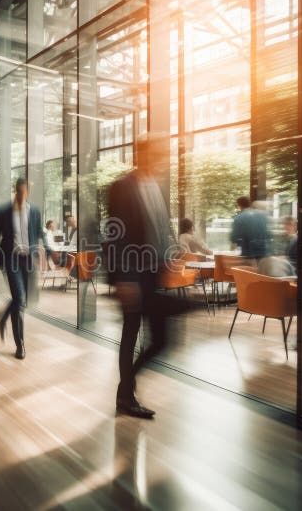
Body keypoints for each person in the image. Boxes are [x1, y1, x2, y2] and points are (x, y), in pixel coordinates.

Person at [106, 136, 183, 419]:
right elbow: (116, 236)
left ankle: (125, 389)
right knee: (130, 335)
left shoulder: (157, 188)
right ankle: (126, 396)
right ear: (141, 155)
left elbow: (160, 229)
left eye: (162, 153)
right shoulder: (122, 187)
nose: (160, 158)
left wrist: (170, 260)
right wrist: (124, 278)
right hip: (133, 276)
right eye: (155, 153)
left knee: (162, 339)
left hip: (153, 275)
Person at [0, 178, 47, 359]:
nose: (21, 196)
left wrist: (48, 251)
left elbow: (39, 233)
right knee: (19, 298)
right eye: (18, 192)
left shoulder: (34, 211)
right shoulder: (4, 212)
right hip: (10, 259)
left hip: (27, 260)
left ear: (28, 192)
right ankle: (20, 345)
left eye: (24, 192)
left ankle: (3, 315)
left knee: (21, 301)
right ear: (15, 192)